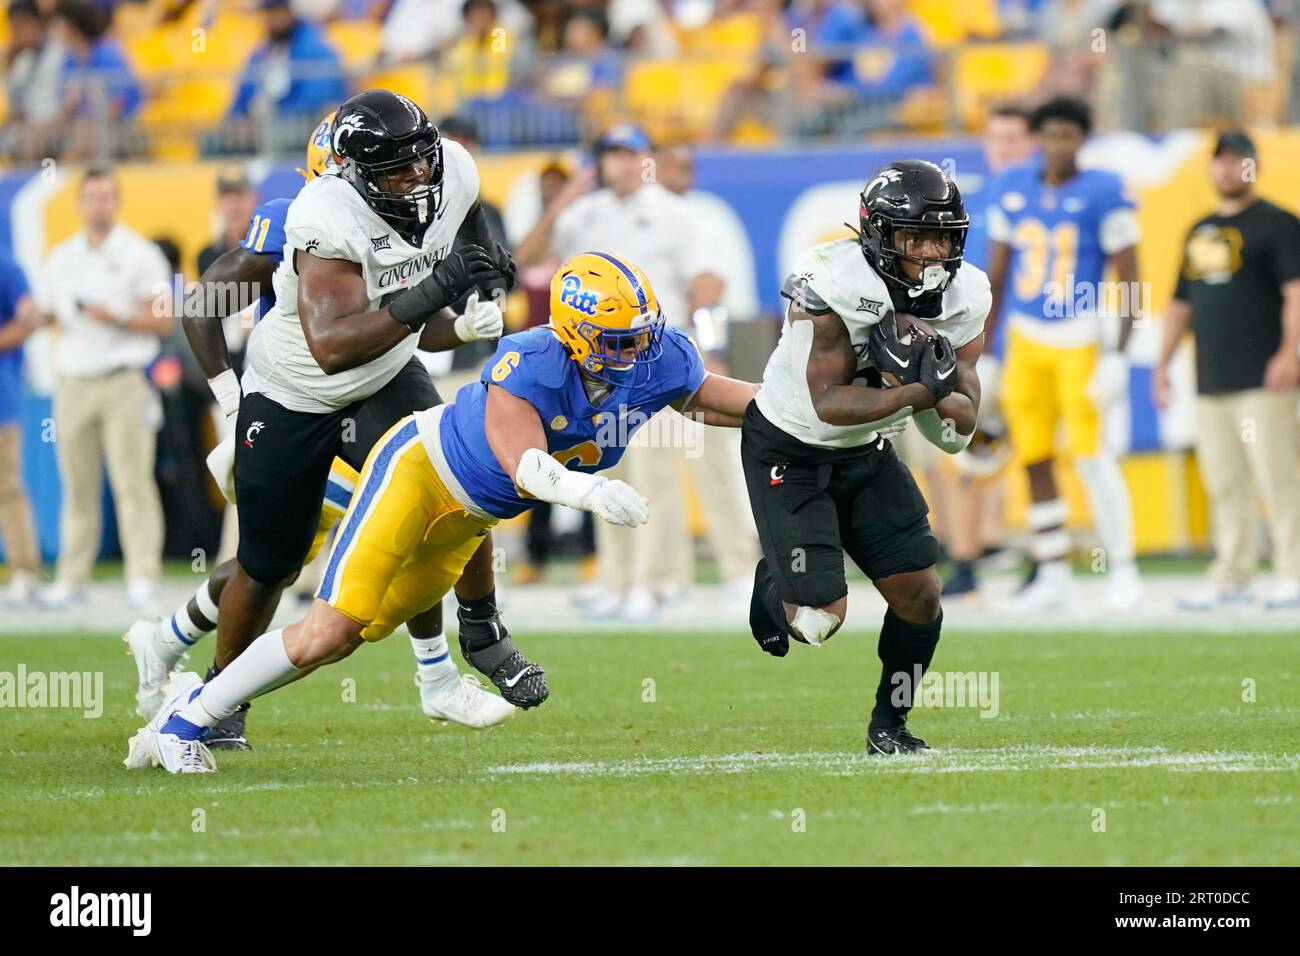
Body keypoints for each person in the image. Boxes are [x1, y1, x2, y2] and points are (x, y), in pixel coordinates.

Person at [126, 251, 761, 773]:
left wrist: (796, 416)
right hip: (418, 475)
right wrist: (590, 493)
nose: (638, 351)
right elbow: (526, 465)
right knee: (329, 628)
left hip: (467, 520)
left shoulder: (660, 356)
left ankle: (193, 700)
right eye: (620, 339)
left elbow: (709, 398)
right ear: (575, 334)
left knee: (352, 638)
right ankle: (186, 720)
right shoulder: (531, 360)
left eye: (644, 333)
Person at [139, 92, 527, 749]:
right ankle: (218, 694)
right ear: (348, 175)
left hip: (385, 370)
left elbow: (464, 246)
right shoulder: (314, 216)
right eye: (400, 171)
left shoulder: (451, 169)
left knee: (449, 482)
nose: (420, 180)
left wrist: (481, 296)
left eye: (422, 162)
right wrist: (231, 402)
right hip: (297, 388)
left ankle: (471, 641)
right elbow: (332, 342)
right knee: (272, 562)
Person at [743, 160, 989, 755]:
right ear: (878, 234)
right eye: (916, 238)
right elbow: (828, 402)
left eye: (943, 237)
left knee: (920, 593)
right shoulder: (831, 279)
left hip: (866, 450)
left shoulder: (966, 293)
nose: (932, 253)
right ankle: (777, 581)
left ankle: (891, 725)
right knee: (818, 620)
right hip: (791, 446)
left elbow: (962, 421)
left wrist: (940, 389)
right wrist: (919, 390)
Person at [515, 123, 721, 619]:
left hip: (652, 355)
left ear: (647, 158)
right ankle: (618, 577)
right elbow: (525, 261)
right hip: (592, 358)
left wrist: (708, 344)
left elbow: (706, 280)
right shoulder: (583, 214)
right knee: (604, 463)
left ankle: (650, 583)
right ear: (601, 161)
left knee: (652, 471)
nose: (624, 163)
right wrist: (562, 201)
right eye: (614, 154)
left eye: (633, 153)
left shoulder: (674, 213)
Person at [984, 95, 1144, 611]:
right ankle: (1052, 572)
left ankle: (1122, 569)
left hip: (1081, 336)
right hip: (1026, 338)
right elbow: (999, 277)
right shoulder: (1012, 188)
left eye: (1068, 136)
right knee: (1033, 455)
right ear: (1038, 139)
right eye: (1050, 135)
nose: (1058, 146)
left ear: (1083, 139)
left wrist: (1120, 351)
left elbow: (1132, 278)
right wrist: (984, 350)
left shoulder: (1105, 191)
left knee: (1093, 456)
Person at [1153, 131, 1300, 611]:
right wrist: (1162, 363)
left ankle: (1292, 571)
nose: (1228, 170)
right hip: (1211, 377)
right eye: (1220, 162)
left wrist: (1289, 353)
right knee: (1223, 480)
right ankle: (1233, 572)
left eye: (1238, 162)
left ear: (1254, 166)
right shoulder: (1199, 230)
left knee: (1277, 476)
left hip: (1263, 376)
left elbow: (1297, 294)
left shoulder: (1280, 224)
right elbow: (1179, 303)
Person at [34, 166, 171, 611]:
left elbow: (164, 319)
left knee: (133, 482)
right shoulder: (61, 257)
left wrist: (117, 317)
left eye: (106, 197)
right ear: (80, 203)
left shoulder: (140, 253)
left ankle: (142, 575)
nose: (99, 205)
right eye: (91, 197)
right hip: (74, 379)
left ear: (116, 201)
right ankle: (73, 577)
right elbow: (48, 314)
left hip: (123, 378)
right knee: (78, 484)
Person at [933, 103, 1035, 597]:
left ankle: (1036, 556)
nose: (1005, 149)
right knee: (970, 448)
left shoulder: (1041, 193)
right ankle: (970, 558)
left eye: (1014, 138)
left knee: (1037, 449)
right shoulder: (985, 198)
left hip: (1032, 340)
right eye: (997, 139)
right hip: (988, 344)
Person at [0, 247, 41, 607]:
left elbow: (30, 319)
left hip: (2, 397)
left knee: (7, 487)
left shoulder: (5, 265)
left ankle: (24, 570)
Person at [197, 173, 260, 277]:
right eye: (228, 200)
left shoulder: (267, 252)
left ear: (254, 201)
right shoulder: (207, 257)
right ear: (219, 205)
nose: (234, 208)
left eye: (239, 198)